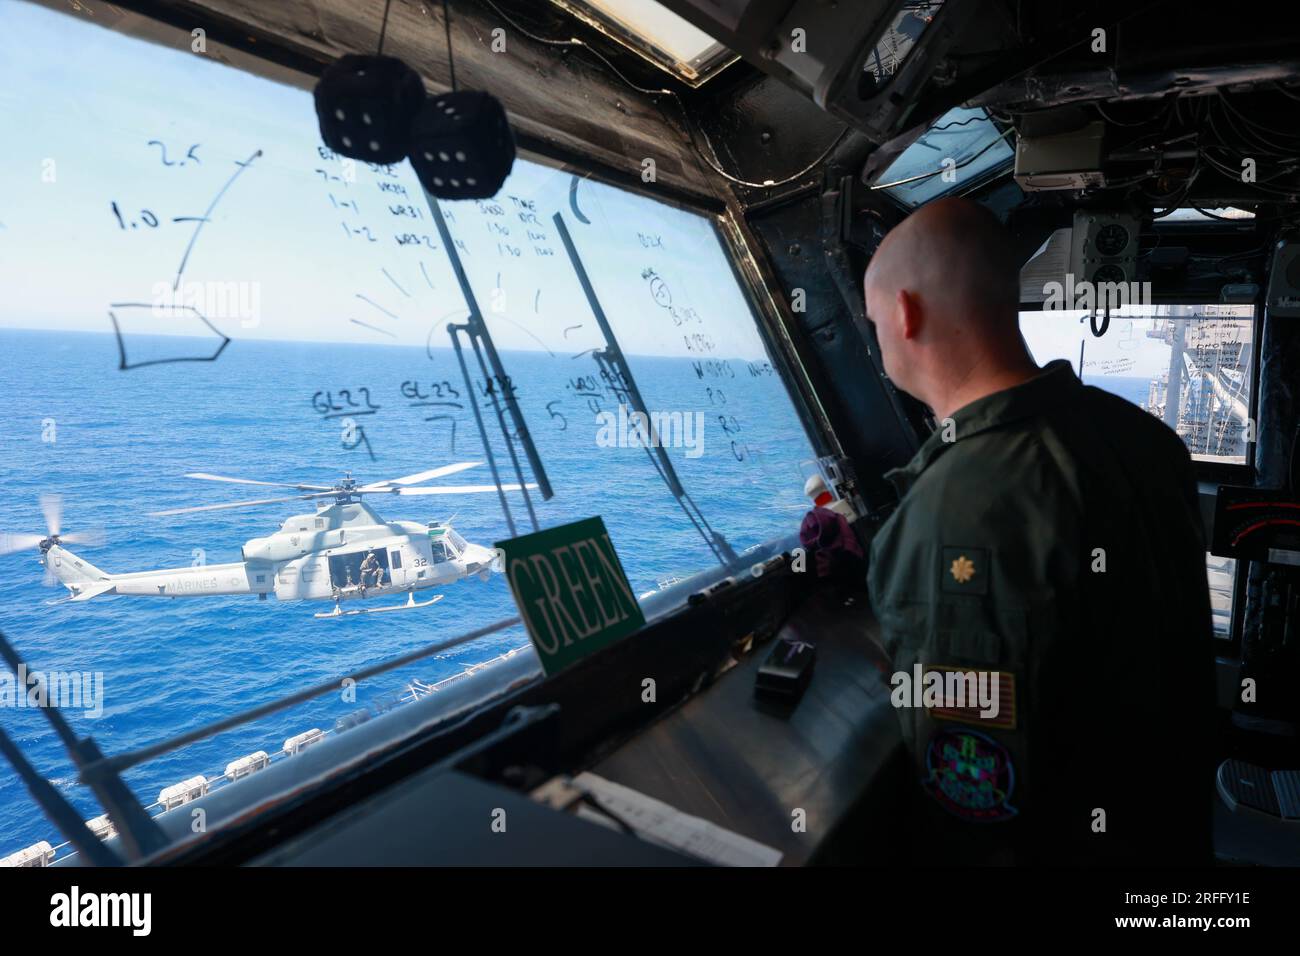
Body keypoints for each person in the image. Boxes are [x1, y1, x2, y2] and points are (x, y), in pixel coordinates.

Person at [860, 197, 1215, 865]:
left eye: (874, 320)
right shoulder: (1143, 438)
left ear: (905, 314)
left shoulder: (954, 511)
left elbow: (978, 798)